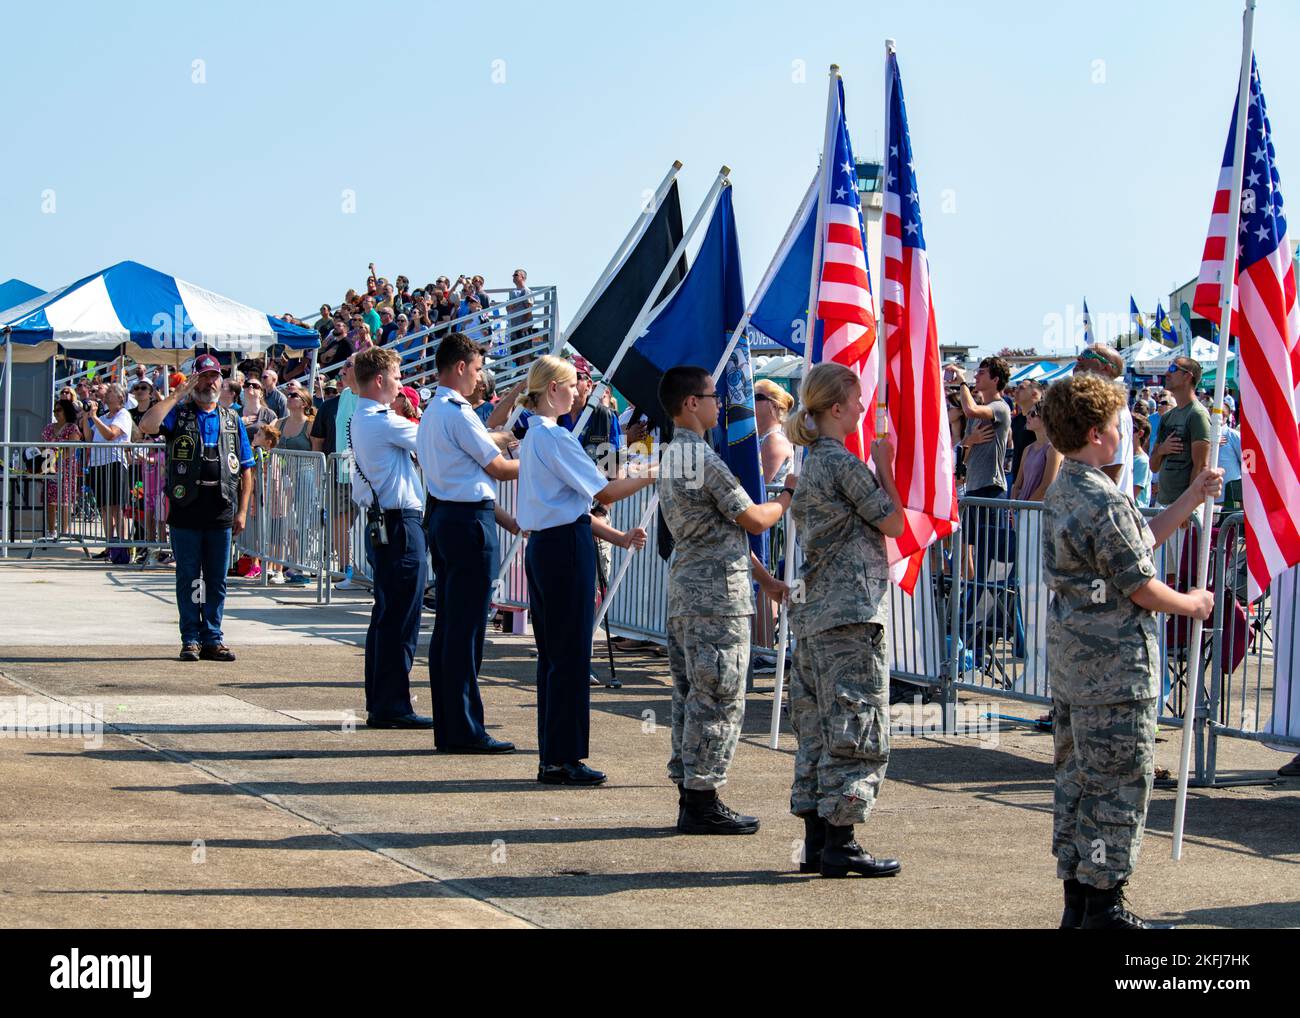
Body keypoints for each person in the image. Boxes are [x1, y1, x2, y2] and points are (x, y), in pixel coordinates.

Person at [1039, 372, 1220, 929]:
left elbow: (1137, 544)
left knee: (1077, 782)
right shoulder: (1101, 497)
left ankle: (1079, 902)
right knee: (1116, 787)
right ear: (1096, 433)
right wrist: (1192, 604)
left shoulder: (1067, 487)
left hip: (1076, 668)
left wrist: (1191, 495)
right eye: (1117, 425)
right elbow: (1139, 585)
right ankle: (1104, 907)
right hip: (1114, 671)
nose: (1124, 433)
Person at [784, 363, 907, 877]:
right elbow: (894, 522)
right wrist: (885, 468)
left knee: (817, 727)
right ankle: (842, 841)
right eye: (856, 401)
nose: (862, 408)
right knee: (856, 725)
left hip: (816, 613)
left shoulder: (814, 461)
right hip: (850, 614)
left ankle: (818, 841)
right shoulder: (843, 463)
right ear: (836, 408)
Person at [657, 365, 791, 835]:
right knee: (718, 696)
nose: (721, 404)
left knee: (691, 696)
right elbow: (752, 519)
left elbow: (719, 531)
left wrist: (765, 579)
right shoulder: (702, 459)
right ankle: (702, 798)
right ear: (692, 403)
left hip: (690, 590)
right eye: (713, 396)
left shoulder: (673, 454)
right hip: (715, 598)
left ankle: (692, 793)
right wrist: (787, 496)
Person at [515, 356, 653, 785]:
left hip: (548, 545)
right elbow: (603, 491)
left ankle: (555, 754)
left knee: (555, 656)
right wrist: (653, 473)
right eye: (573, 385)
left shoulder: (536, 436)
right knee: (570, 656)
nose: (578, 392)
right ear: (554, 389)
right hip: (563, 549)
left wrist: (617, 536)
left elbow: (573, 505)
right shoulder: (554, 436)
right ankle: (563, 757)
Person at [417, 333, 521, 753]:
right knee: (467, 629)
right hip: (467, 522)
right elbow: (498, 468)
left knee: (450, 627)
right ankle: (464, 728)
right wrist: (542, 459)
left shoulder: (435, 410)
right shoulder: (457, 413)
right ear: (460, 367)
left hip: (447, 516)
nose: (479, 377)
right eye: (477, 369)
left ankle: (451, 724)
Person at [139, 354, 255, 662]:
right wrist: (177, 394)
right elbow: (147, 424)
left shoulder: (231, 419)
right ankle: (190, 637)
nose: (209, 382)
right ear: (194, 380)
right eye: (203, 377)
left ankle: (213, 637)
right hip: (186, 507)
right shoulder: (179, 414)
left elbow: (247, 469)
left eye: (214, 376)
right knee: (189, 577)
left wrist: (242, 511)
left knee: (216, 579)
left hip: (221, 507)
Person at [346, 348, 434, 729]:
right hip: (399, 524)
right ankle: (393, 704)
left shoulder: (364, 417)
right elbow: (433, 439)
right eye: (397, 377)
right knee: (401, 617)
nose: (400, 385)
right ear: (379, 380)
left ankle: (383, 701)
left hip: (386, 522)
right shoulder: (382, 420)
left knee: (387, 615)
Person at [81, 383, 134, 560]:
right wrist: (86, 418)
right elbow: (89, 438)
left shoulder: (123, 414)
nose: (107, 394)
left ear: (120, 397)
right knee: (104, 508)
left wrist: (95, 417)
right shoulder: (103, 417)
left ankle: (122, 547)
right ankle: (109, 546)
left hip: (114, 463)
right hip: (98, 464)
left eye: (111, 391)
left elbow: (111, 434)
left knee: (117, 508)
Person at [1149, 356, 1211, 507]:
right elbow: (1153, 466)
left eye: (1172, 369)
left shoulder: (1197, 414)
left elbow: (1201, 466)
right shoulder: (1167, 417)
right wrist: (1162, 450)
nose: (1166, 373)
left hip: (1185, 508)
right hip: (1162, 503)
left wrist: (1187, 506)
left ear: (1187, 376)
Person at [1072, 344, 1133, 494]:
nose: (1079, 359)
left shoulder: (1114, 408)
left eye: (1088, 354)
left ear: (1106, 368)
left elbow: (1113, 470)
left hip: (1103, 503)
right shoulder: (1090, 405)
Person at [956, 356, 1012, 498]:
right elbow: (962, 455)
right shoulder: (976, 414)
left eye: (981, 373)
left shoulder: (1001, 407)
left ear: (995, 380)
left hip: (992, 488)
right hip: (972, 487)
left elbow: (970, 409)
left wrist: (962, 382)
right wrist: (971, 439)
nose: (976, 376)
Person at [41, 400, 83, 537]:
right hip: (49, 467)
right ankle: (51, 531)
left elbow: (71, 449)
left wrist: (55, 459)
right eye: (55, 410)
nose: (56, 413)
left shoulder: (72, 428)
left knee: (65, 501)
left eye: (59, 410)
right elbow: (42, 446)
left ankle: (64, 533)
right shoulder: (48, 428)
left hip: (66, 468)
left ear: (66, 411)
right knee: (50, 501)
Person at [1009, 403, 1061, 502]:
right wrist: (1014, 505)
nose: (1028, 416)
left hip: (1038, 508)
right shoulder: (1028, 449)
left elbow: (1046, 486)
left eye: (1033, 414)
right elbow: (1017, 485)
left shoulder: (1054, 449)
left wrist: (1025, 507)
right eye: (1028, 413)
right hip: (1022, 506)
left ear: (1046, 419)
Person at [754, 379, 794, 485]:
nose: (750, 401)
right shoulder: (764, 436)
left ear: (774, 406)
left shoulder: (775, 439)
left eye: (757, 397)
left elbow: (757, 483)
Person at [1132, 416, 1153, 508]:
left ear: (1140, 434)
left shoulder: (1141, 461)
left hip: (1135, 514)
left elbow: (1131, 496)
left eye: (1130, 427)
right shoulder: (1126, 458)